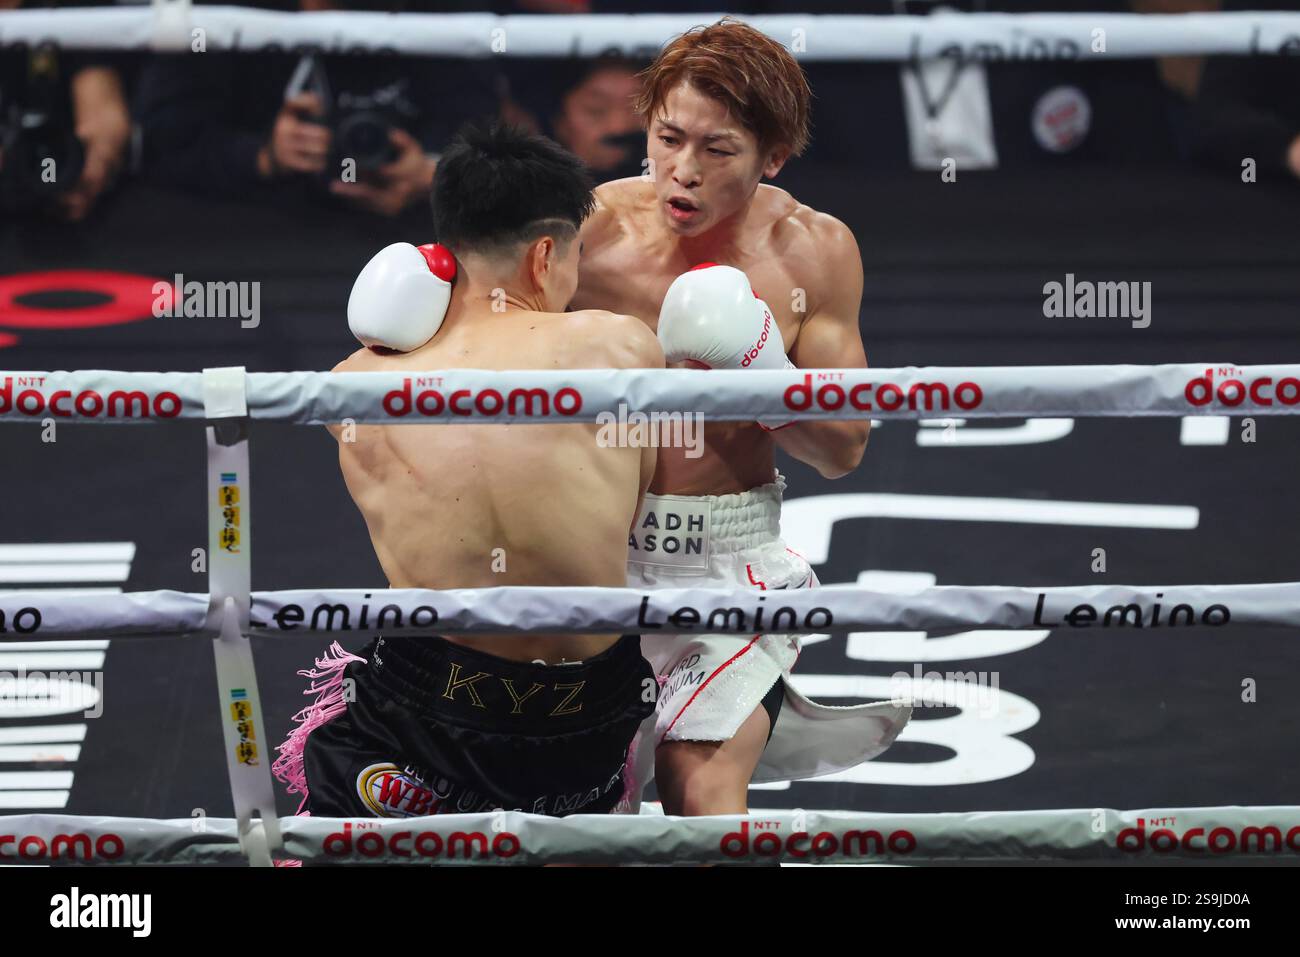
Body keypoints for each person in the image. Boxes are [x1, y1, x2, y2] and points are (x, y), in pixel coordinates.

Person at [273, 124, 664, 819]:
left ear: (440, 251)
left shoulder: (351, 386)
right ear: (545, 255)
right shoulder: (620, 347)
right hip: (585, 713)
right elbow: (632, 517)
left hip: (424, 703)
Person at [571, 18, 911, 816]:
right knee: (589, 816)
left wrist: (760, 367)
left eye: (718, 150)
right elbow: (483, 359)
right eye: (668, 138)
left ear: (772, 158)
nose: (681, 172)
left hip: (727, 563)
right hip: (588, 549)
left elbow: (843, 449)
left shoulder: (814, 251)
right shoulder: (587, 231)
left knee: (705, 787)